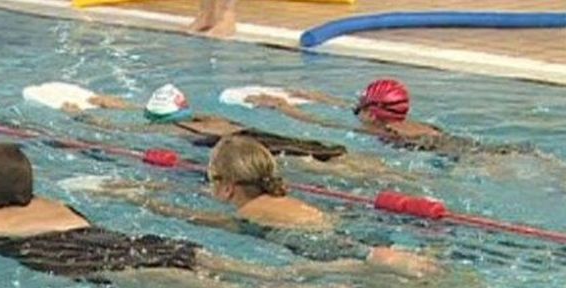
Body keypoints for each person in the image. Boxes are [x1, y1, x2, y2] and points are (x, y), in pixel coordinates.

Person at [0, 141, 356, 288]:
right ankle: (330, 276)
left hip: (112, 266)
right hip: (136, 241)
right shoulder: (51, 205)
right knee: (250, 272)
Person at [90, 136, 440, 278]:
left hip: (333, 249)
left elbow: (195, 218)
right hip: (344, 233)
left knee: (325, 269)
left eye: (210, 179)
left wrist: (140, 199)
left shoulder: (248, 214)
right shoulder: (279, 202)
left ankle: (380, 260)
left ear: (227, 187)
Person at [61, 83, 412, 183]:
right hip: (261, 134)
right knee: (329, 156)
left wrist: (83, 116)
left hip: (254, 148)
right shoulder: (207, 116)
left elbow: (124, 126)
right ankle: (395, 175)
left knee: (313, 165)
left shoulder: (177, 129)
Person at [248, 78, 527, 160]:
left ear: (371, 114)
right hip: (458, 144)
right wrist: (317, 97)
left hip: (457, 155)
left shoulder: (383, 133)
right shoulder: (399, 120)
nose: (356, 107)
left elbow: (326, 124)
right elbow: (353, 108)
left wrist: (283, 108)